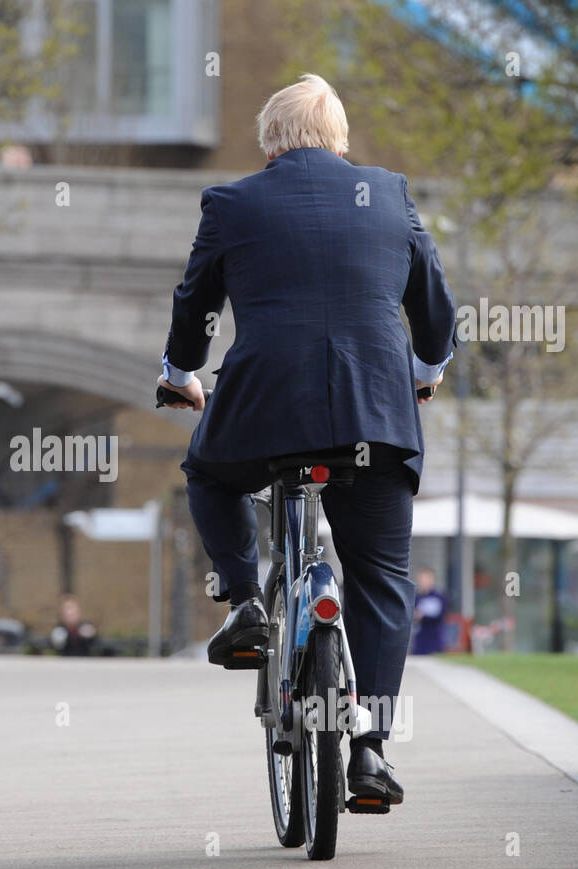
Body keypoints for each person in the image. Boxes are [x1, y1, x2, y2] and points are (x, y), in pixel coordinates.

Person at [158, 74, 457, 806]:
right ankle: (373, 750)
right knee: (384, 583)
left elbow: (195, 308)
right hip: (377, 415)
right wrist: (424, 371)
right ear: (341, 139)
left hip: (266, 409)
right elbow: (437, 313)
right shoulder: (389, 193)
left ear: (269, 143)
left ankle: (245, 602)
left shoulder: (231, 203)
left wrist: (180, 373)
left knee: (208, 471)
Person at [410, 567, 449, 655]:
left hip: (434, 639)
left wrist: (422, 615)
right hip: (419, 640)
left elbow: (439, 615)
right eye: (420, 579)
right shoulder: (416, 597)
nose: (422, 582)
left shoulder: (439, 597)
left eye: (425, 579)